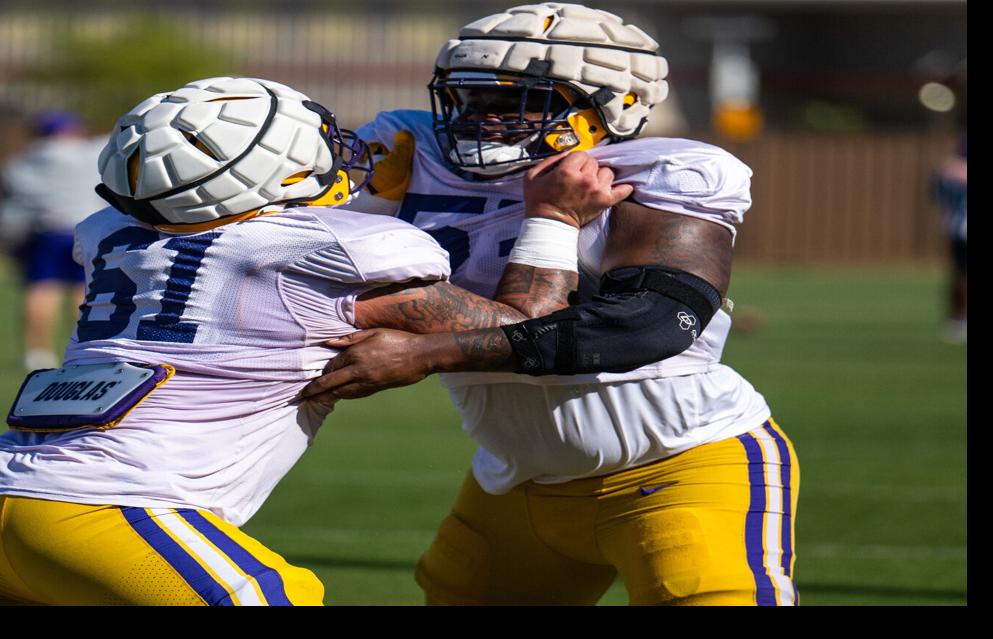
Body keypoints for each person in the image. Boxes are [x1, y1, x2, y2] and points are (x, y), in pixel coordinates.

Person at [0, 76, 628, 605]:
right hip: (109, 508)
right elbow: (524, 332)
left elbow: (241, 261)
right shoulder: (333, 249)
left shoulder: (110, 232)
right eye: (319, 148)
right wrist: (554, 218)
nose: (340, 155)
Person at [303, 2, 799, 606]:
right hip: (516, 479)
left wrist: (428, 352)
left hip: (680, 466)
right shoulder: (410, 156)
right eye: (471, 100)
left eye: (515, 102)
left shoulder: (658, 174)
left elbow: (648, 327)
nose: (481, 120)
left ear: (610, 104)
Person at [0, 112, 107, 371]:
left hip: (47, 231)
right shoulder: (90, 155)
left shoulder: (27, 161)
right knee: (83, 292)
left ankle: (37, 352)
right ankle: (86, 346)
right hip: (85, 230)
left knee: (42, 289)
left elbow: (16, 196)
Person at [934, 132, 967, 343]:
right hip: (960, 230)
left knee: (960, 275)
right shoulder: (952, 170)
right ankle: (958, 319)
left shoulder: (950, 170)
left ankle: (957, 319)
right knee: (961, 276)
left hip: (956, 230)